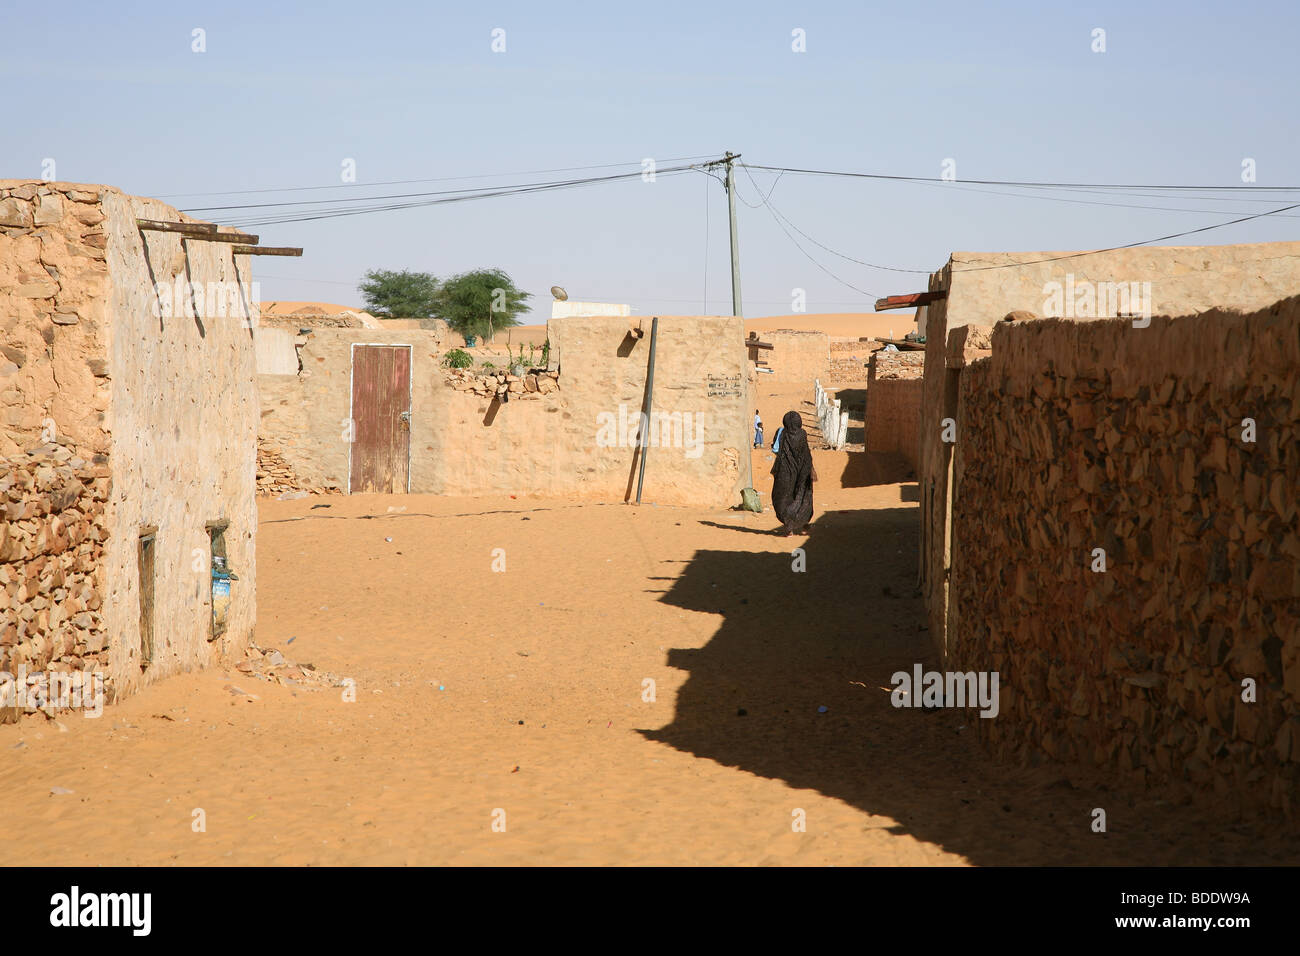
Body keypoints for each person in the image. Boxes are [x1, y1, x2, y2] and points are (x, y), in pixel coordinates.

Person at [770, 410, 815, 535]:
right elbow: (805, 452)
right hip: (803, 470)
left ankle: (789, 526)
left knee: (782, 497)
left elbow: (776, 449)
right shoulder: (802, 434)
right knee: (803, 495)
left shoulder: (781, 432)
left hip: (785, 472)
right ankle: (804, 525)